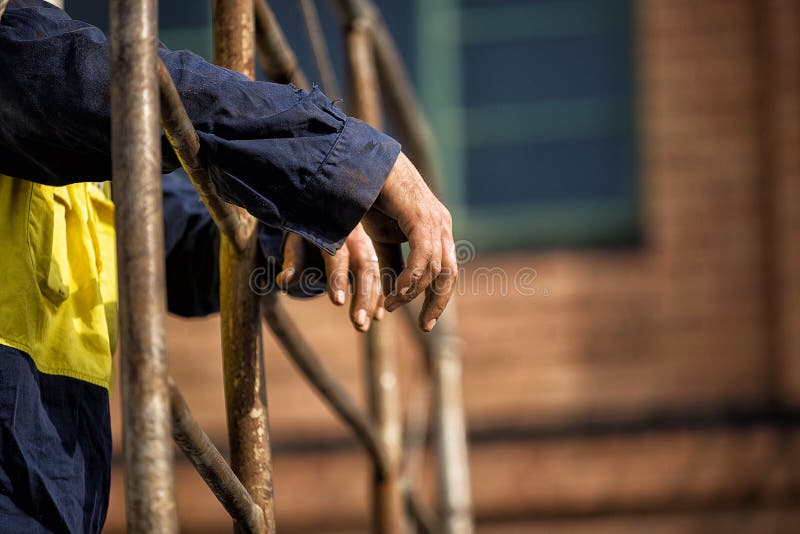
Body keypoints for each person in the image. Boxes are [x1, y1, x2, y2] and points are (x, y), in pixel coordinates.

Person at [0, 0, 457, 531]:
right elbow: (78, 78)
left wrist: (293, 232)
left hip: (56, 485)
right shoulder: (35, 70)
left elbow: (177, 243)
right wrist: (345, 158)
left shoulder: (68, 157)